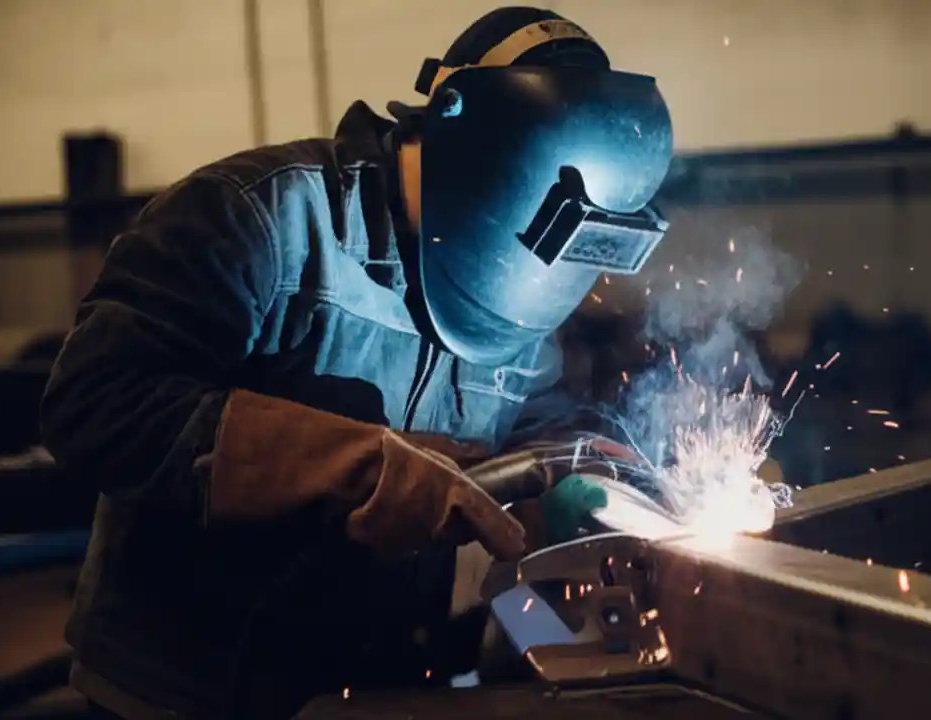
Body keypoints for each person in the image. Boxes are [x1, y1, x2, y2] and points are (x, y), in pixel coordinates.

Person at [40, 6, 673, 719]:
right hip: (186, 691)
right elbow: (92, 402)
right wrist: (354, 465)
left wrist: (574, 481)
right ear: (474, 148)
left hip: (383, 692)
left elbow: (522, 456)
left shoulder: (524, 283)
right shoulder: (264, 218)